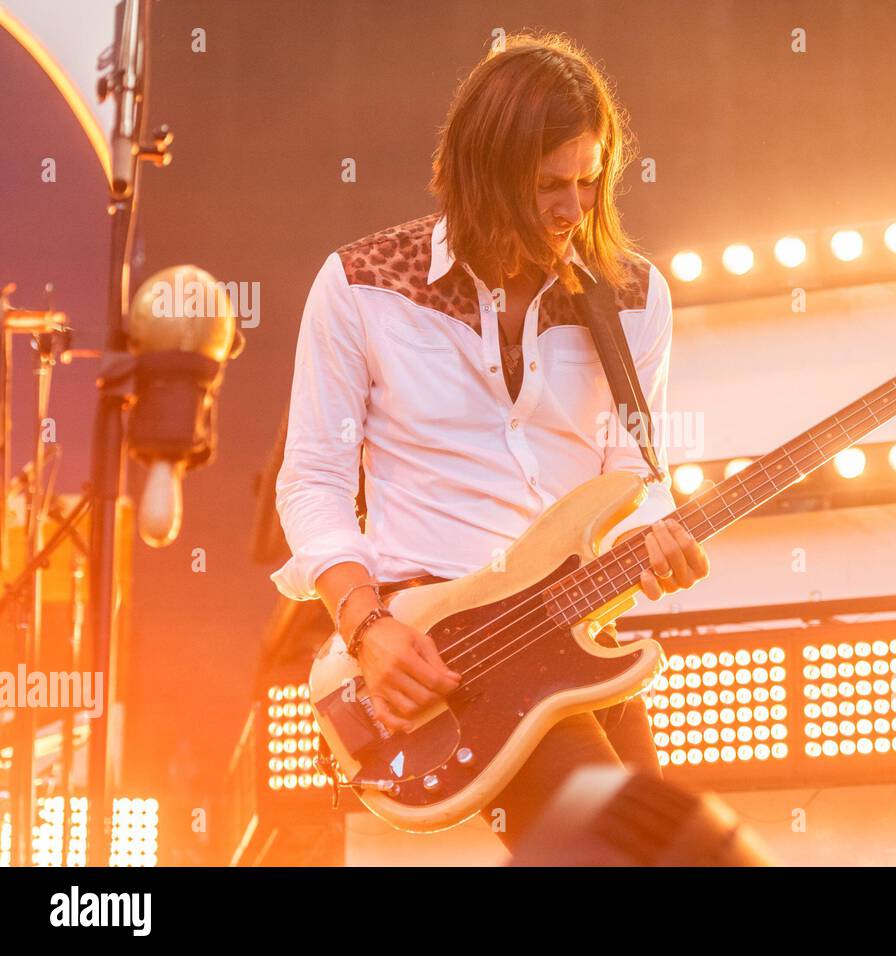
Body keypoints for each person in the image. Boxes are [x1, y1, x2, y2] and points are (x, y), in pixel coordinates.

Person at [272, 32, 708, 851]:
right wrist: (367, 628)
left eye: (589, 181)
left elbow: (634, 472)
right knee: (617, 847)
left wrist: (659, 532)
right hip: (438, 641)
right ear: (482, 173)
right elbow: (313, 483)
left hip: (572, 632)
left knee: (676, 851)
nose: (574, 210)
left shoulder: (633, 294)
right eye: (548, 185)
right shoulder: (363, 284)